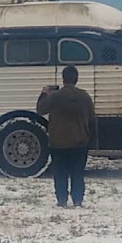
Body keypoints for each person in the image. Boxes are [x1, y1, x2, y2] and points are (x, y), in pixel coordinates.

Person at [37, 65, 97, 208]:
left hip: (58, 143)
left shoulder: (55, 96)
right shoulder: (85, 96)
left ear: (63, 79)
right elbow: (92, 119)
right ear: (77, 79)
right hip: (80, 142)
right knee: (77, 174)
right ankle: (77, 201)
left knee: (60, 174)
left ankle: (62, 201)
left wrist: (44, 94)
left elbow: (40, 110)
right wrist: (89, 139)